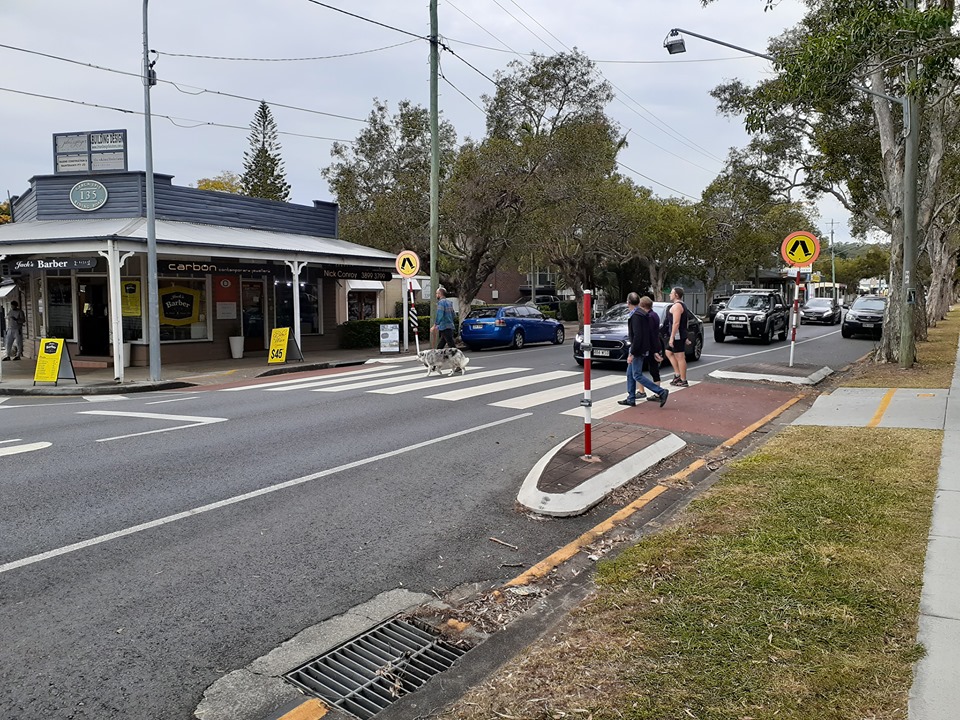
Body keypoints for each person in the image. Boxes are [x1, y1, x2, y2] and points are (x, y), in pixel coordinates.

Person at [618, 293, 669, 408]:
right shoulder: (643, 314)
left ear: (628, 302)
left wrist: (632, 353)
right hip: (642, 347)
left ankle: (661, 391)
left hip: (637, 349)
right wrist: (654, 350)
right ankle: (631, 398)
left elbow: (638, 336)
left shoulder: (636, 315)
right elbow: (649, 334)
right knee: (630, 373)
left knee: (636, 375)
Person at [665, 286, 690, 387]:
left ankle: (683, 379)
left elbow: (676, 323)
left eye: (671, 293)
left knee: (680, 357)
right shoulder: (680, 305)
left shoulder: (677, 306)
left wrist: (672, 337)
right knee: (668, 352)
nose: (670, 294)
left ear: (676, 295)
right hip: (679, 334)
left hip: (677, 335)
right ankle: (677, 374)